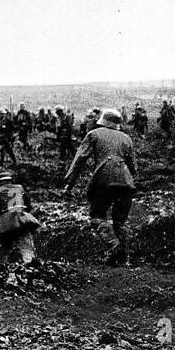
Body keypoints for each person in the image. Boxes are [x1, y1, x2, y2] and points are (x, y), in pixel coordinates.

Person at [63, 108, 137, 266]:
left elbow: (79, 160)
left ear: (103, 120)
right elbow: (133, 167)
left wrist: (70, 182)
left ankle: (113, 245)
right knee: (120, 221)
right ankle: (124, 259)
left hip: (104, 179)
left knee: (97, 216)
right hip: (126, 182)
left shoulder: (94, 134)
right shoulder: (126, 138)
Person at [0, 171, 40, 264]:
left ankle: (5, 265)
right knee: (26, 244)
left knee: (6, 247)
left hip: (6, 223)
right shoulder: (20, 188)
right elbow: (28, 205)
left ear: (0, 182)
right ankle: (30, 263)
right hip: (22, 218)